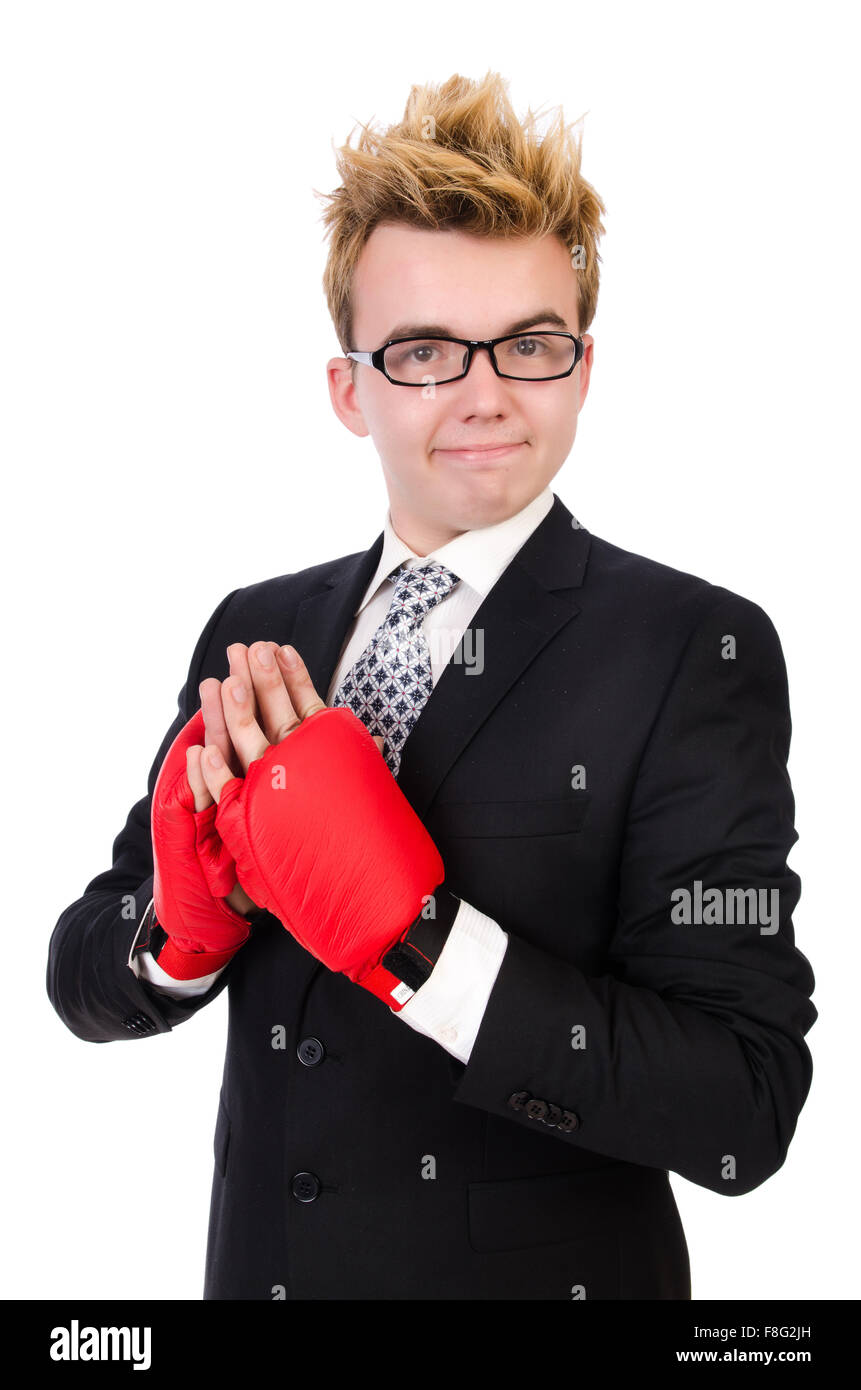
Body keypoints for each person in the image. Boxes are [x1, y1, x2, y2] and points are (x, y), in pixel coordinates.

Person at [46, 71, 817, 1301]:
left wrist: (423, 943)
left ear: (581, 365)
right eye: (422, 351)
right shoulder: (257, 631)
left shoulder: (693, 651)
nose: (483, 393)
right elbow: (80, 977)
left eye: (528, 341)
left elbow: (746, 1099)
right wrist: (181, 938)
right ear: (350, 389)